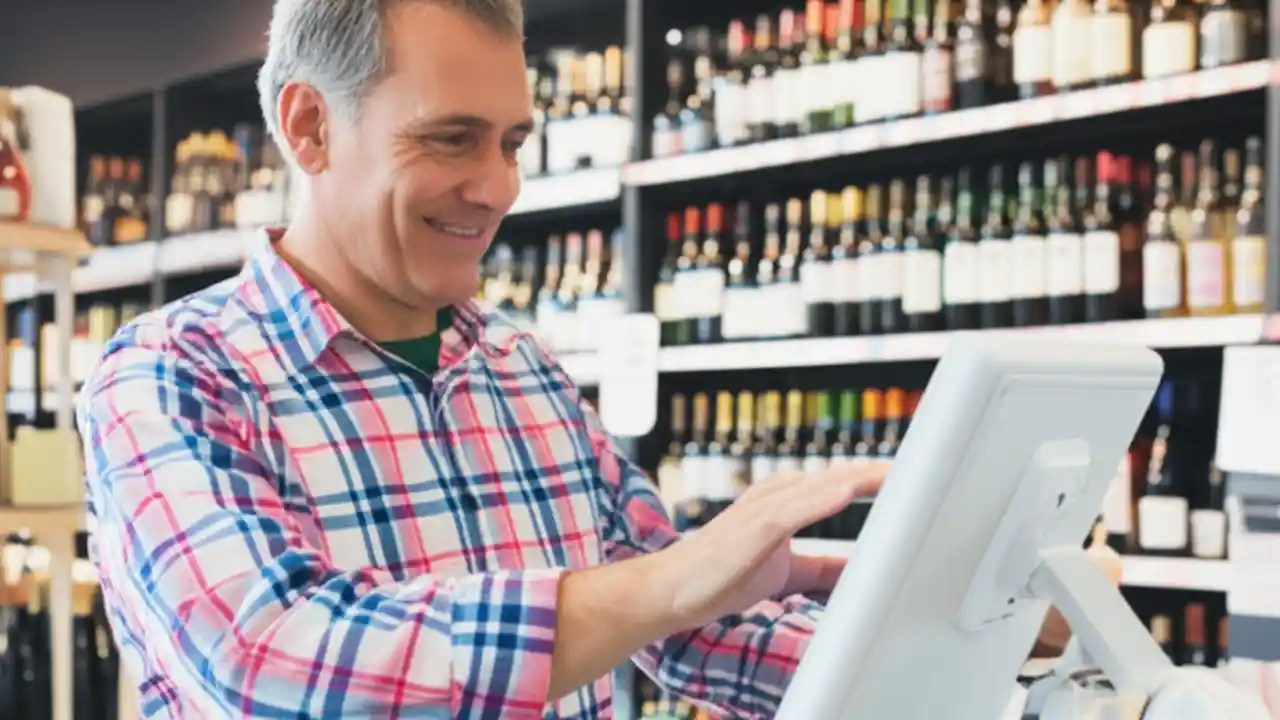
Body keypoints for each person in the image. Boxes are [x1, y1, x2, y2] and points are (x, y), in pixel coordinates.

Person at [77, 1, 1094, 717]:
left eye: (513, 142)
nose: (497, 187)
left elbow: (691, 630)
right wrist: (681, 576)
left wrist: (972, 629)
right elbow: (279, 663)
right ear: (309, 125)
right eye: (451, 139)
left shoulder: (520, 367)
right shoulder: (170, 375)